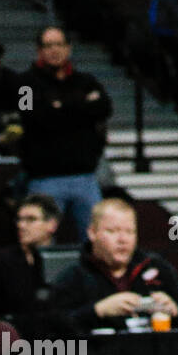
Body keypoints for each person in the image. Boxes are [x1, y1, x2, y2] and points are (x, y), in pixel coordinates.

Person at [17, 26, 111, 241]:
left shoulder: (87, 80)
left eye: (59, 44)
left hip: (85, 177)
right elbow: (30, 117)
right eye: (48, 45)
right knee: (39, 242)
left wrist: (58, 107)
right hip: (44, 179)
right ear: (39, 50)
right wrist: (81, 105)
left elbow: (104, 108)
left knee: (97, 241)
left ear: (68, 48)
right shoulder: (24, 85)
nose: (54, 50)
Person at [50, 197, 178, 333]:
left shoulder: (157, 268)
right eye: (113, 231)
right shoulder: (74, 277)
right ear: (92, 233)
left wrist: (176, 309)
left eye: (129, 232)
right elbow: (54, 329)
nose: (123, 239)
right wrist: (98, 311)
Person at [0, 194, 59, 330]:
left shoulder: (68, 261)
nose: (21, 225)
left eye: (31, 219)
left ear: (52, 224)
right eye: (19, 219)